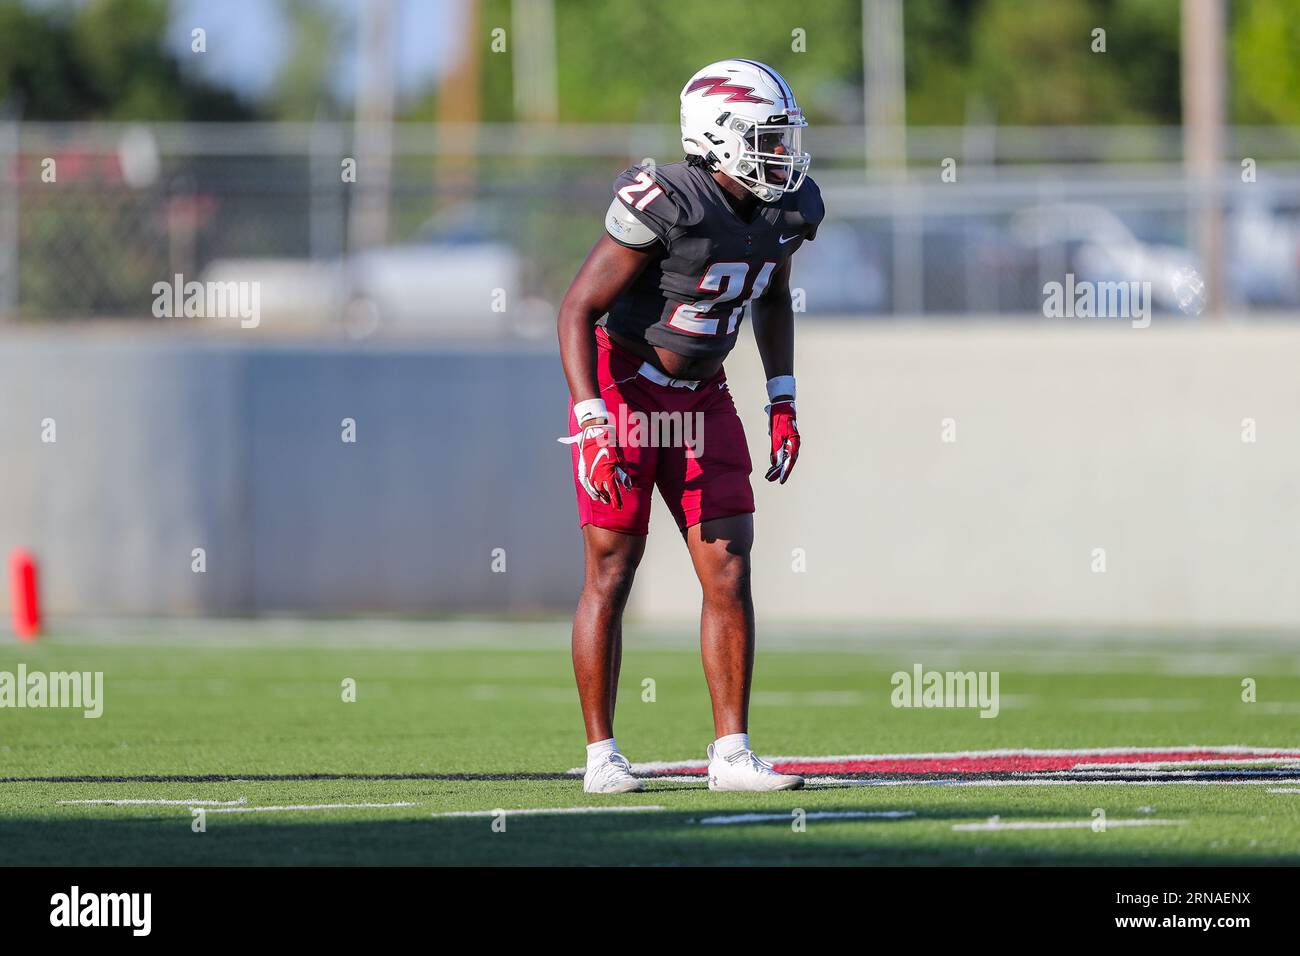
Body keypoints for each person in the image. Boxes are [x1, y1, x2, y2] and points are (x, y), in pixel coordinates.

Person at [556, 59, 824, 793]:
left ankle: (732, 753)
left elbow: (772, 295)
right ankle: (601, 755)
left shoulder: (788, 207)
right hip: (628, 390)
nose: (785, 154)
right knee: (611, 570)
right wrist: (590, 420)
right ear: (719, 137)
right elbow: (578, 308)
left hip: (705, 396)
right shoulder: (666, 201)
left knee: (730, 568)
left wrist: (782, 398)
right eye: (769, 137)